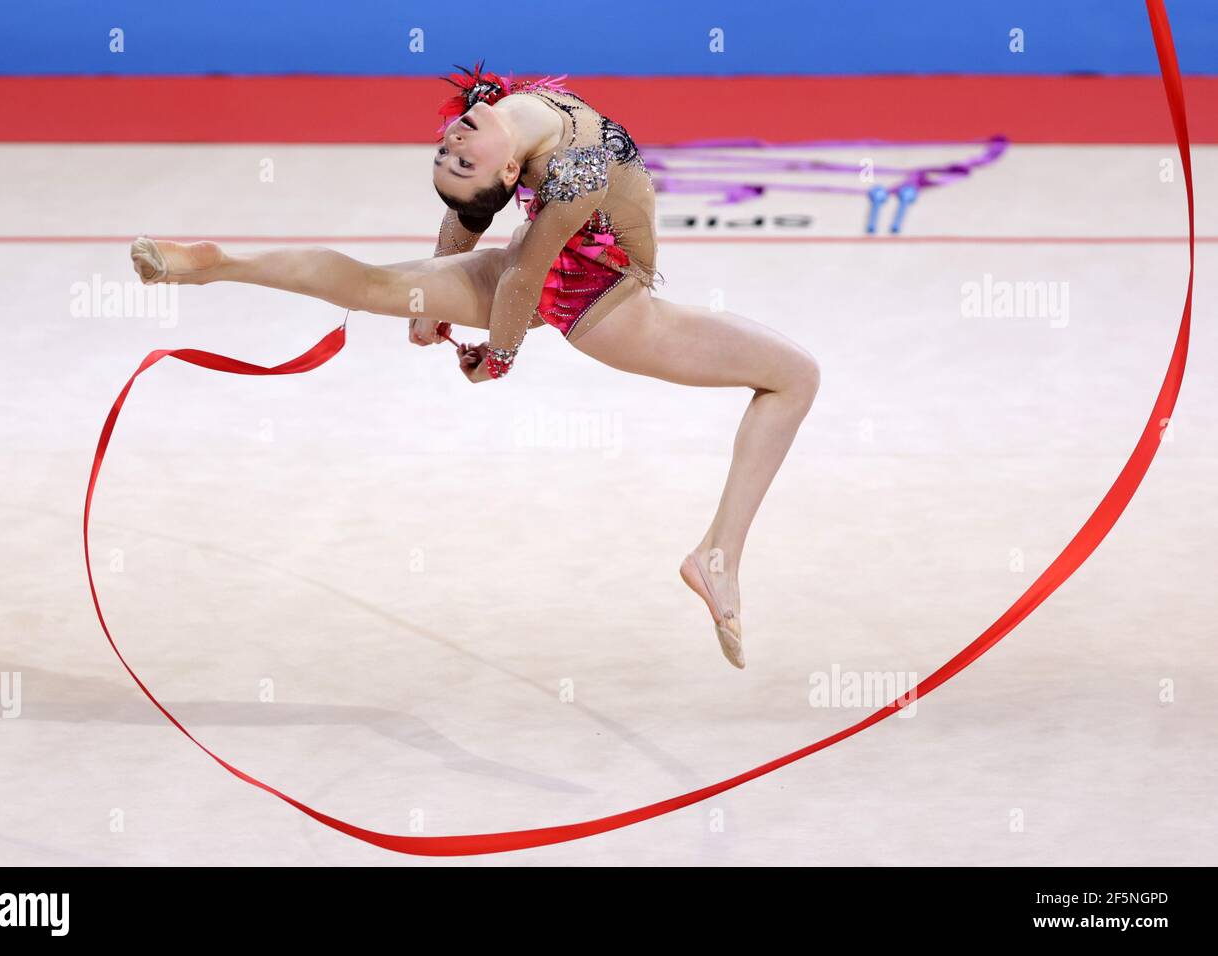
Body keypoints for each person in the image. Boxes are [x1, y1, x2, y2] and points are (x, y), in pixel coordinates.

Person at [129, 62, 820, 668]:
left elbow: (482, 232)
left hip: (572, 266)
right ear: (514, 174)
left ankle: (220, 268)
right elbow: (524, 276)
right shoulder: (569, 162)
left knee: (374, 284)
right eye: (457, 159)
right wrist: (498, 357)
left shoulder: (505, 111)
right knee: (795, 375)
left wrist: (435, 297)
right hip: (606, 301)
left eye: (449, 150)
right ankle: (717, 557)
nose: (453, 141)